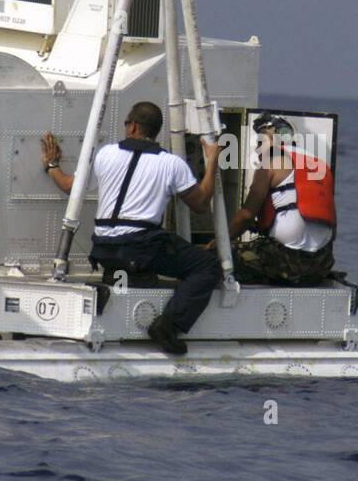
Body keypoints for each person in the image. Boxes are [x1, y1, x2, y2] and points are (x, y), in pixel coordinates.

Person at [41, 101, 222, 355]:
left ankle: (111, 295)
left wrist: (51, 165)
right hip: (141, 249)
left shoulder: (105, 154)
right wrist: (212, 160)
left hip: (103, 248)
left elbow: (70, 187)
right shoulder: (171, 164)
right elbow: (202, 204)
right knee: (207, 265)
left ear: (133, 126)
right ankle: (168, 327)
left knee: (140, 254)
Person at [225, 113, 336, 285]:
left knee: (217, 257)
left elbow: (246, 216)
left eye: (261, 142)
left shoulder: (270, 163)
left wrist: (219, 242)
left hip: (284, 260)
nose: (256, 149)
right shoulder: (321, 166)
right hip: (321, 264)